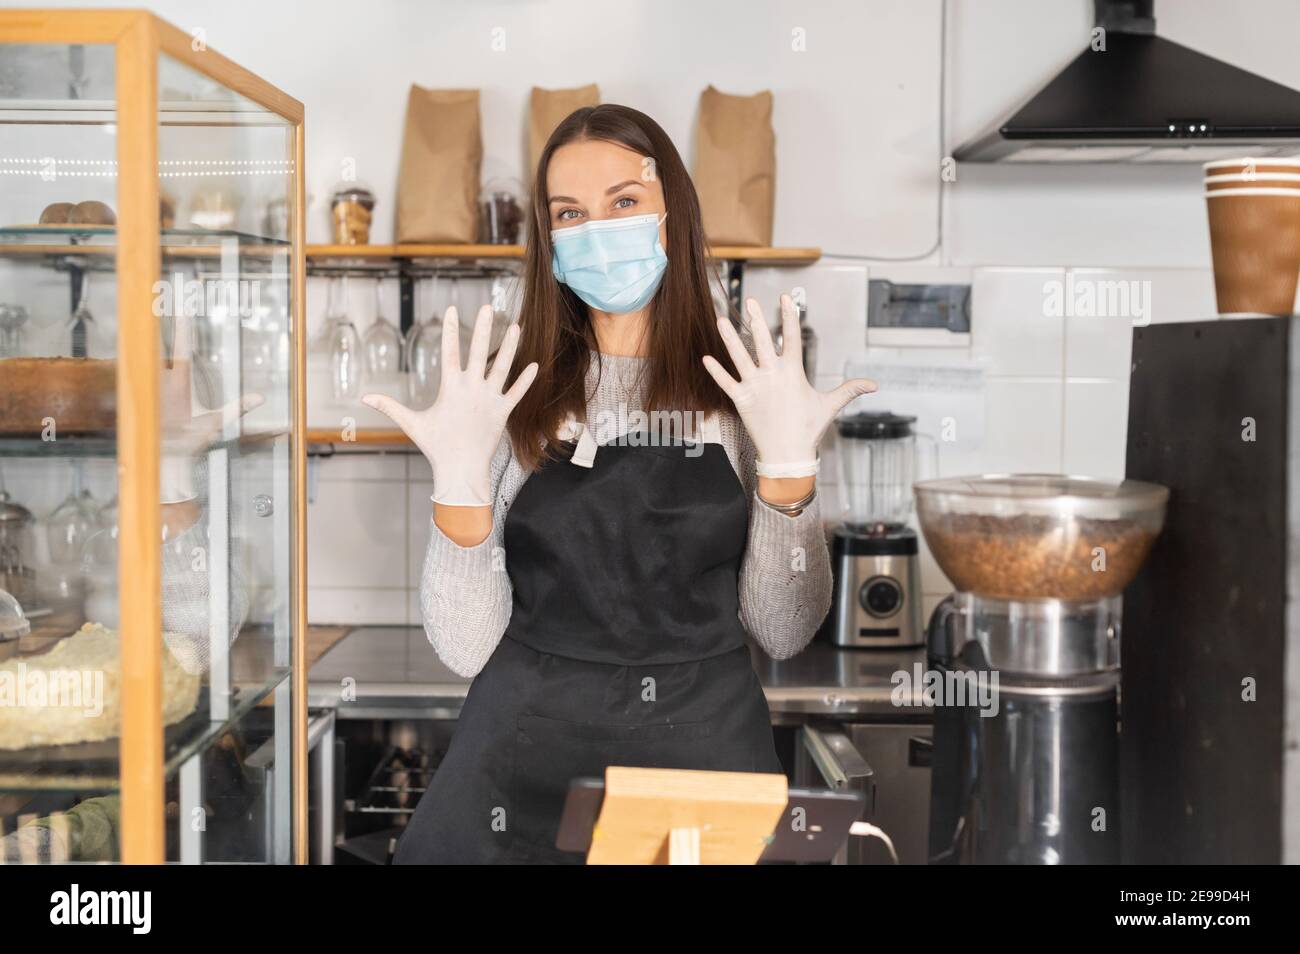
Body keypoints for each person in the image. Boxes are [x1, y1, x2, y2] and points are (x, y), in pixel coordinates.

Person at [363, 103, 875, 863]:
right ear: (549, 239)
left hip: (703, 769)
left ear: (674, 213)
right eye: (569, 213)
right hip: (523, 765)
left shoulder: (745, 395)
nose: (596, 231)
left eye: (624, 203)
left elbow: (783, 627)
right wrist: (460, 482)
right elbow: (467, 647)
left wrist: (790, 476)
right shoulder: (510, 397)